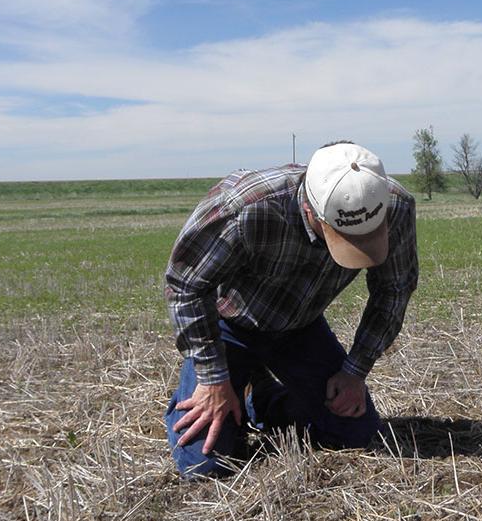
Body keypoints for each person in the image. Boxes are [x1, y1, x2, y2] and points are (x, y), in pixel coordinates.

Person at [163, 141, 418, 477]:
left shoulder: (395, 207)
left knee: (355, 433)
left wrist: (355, 371)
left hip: (301, 326)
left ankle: (262, 398)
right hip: (229, 324)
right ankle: (232, 386)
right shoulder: (244, 208)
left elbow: (393, 290)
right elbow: (185, 285)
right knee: (204, 464)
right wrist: (213, 379)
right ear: (312, 212)